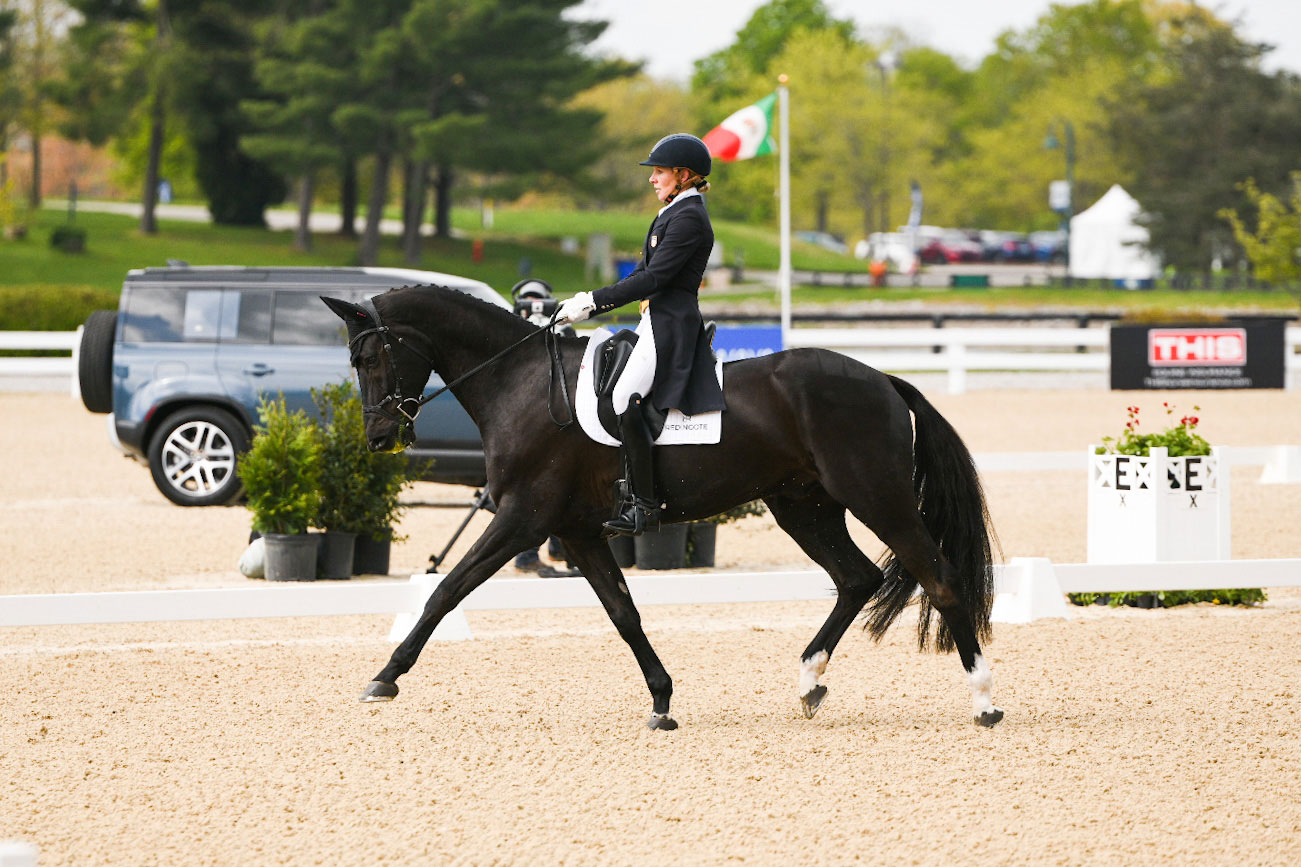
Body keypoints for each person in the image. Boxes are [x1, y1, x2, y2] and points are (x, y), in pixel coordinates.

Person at [556, 133, 726, 537]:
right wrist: (588, 299)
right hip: (657, 320)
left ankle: (645, 504)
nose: (653, 179)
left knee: (624, 397)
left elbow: (656, 278)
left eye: (660, 172)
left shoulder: (687, 218)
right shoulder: (673, 213)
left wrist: (595, 302)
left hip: (672, 324)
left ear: (683, 176)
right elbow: (642, 275)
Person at [510, 280, 582, 576]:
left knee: (561, 483)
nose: (532, 305)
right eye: (527, 300)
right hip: (526, 422)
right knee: (533, 489)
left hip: (556, 413)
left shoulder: (561, 328)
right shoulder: (510, 330)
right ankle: (527, 556)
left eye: (536, 300)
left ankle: (558, 548)